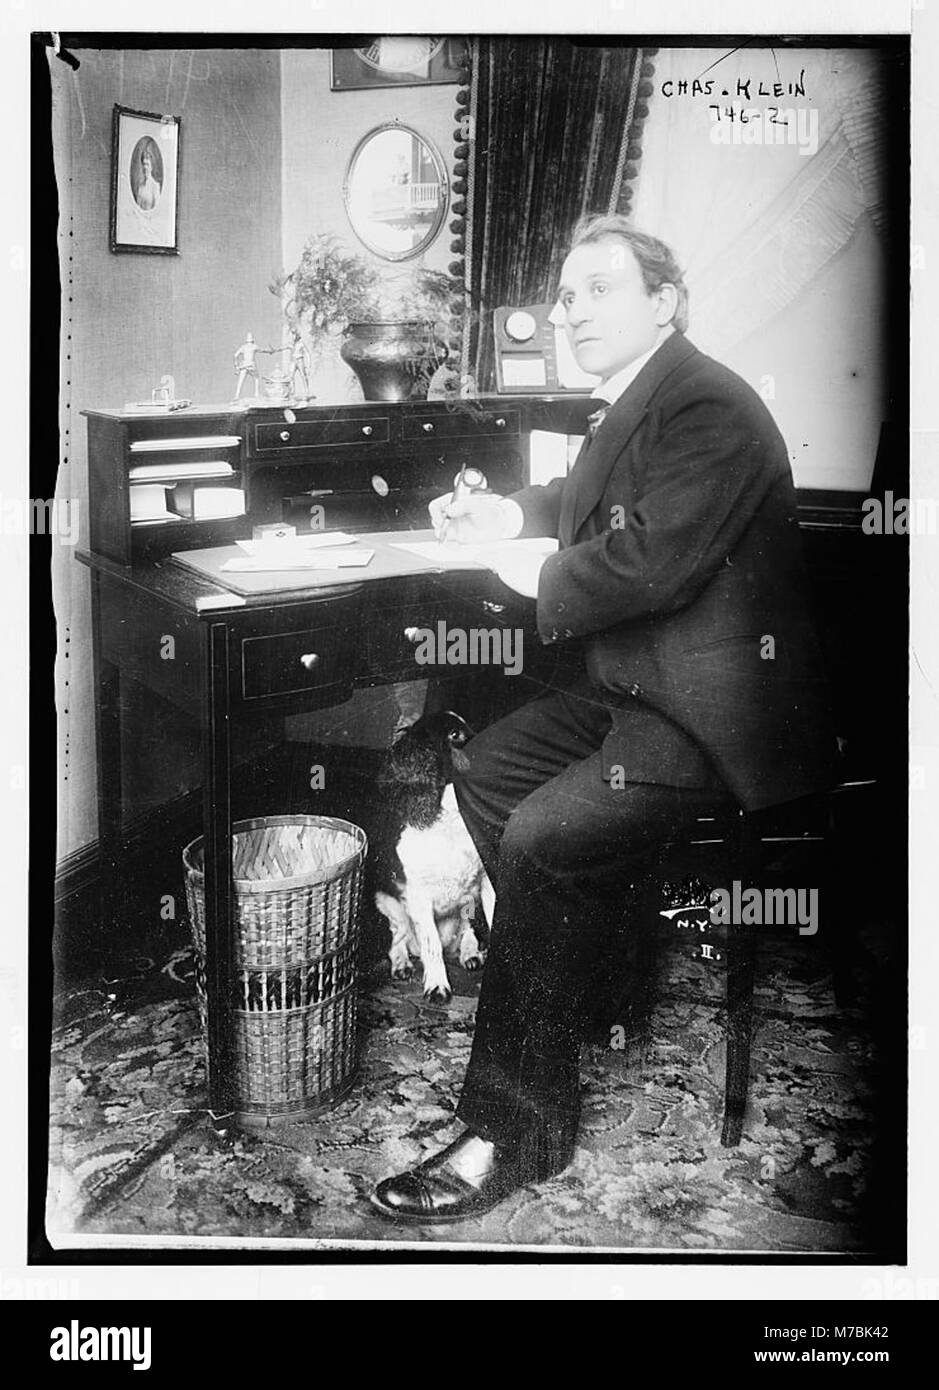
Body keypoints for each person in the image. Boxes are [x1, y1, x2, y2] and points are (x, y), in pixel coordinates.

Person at [371, 214, 836, 1223]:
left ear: (664, 302)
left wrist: (525, 564)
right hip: (639, 687)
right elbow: (581, 504)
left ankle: (515, 1126)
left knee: (540, 835)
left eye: (598, 290)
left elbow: (648, 562)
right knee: (486, 771)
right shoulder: (639, 402)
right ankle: (587, 989)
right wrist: (499, 515)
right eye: (566, 294)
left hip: (710, 713)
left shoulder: (707, 404)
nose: (571, 310)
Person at [133, 143, 162, 212]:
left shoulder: (155, 186)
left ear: (151, 167)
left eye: (147, 164)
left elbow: (156, 211)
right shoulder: (140, 186)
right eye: (143, 164)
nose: (145, 167)